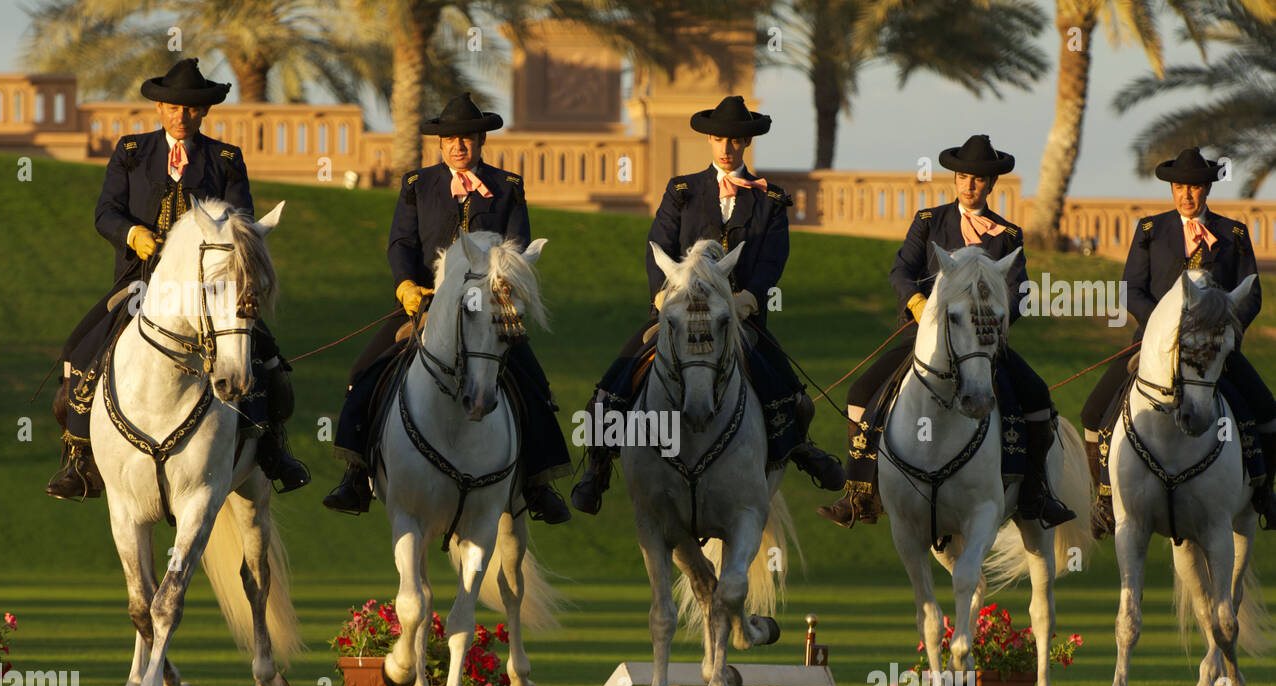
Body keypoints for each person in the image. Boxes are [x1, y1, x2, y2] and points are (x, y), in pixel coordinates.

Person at [46, 58, 309, 501]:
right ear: (159, 108)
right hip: (139, 283)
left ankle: (271, 448)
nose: (181, 116)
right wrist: (133, 233)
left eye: (190, 109)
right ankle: (78, 461)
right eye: (173, 107)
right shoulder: (131, 152)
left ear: (203, 112)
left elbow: (240, 223)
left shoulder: (225, 159)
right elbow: (106, 212)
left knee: (264, 357)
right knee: (80, 351)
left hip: (211, 289)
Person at [569, 95, 844, 514]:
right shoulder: (682, 190)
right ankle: (598, 465)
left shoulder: (771, 200)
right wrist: (663, 293)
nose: (726, 147)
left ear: (746, 144)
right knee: (618, 376)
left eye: (734, 141)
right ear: (710, 141)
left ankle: (799, 446)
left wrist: (749, 298)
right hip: (679, 311)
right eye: (719, 139)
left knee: (785, 385)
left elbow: (772, 258)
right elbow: (658, 244)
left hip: (736, 316)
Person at [322, 93, 572, 523]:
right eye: (451, 139)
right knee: (363, 372)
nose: (459, 146)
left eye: (468, 138)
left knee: (534, 382)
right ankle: (355, 475)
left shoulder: (508, 187)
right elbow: (402, 242)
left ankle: (538, 483)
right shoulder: (417, 185)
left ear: (481, 140)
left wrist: (505, 290)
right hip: (425, 305)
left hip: (488, 310)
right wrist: (404, 286)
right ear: (440, 144)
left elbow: (514, 250)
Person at [818, 134, 1075, 529]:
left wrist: (991, 325)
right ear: (954, 179)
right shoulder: (928, 221)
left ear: (991, 185)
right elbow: (901, 271)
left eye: (978, 179)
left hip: (983, 342)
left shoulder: (1009, 235)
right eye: (962, 177)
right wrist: (919, 306)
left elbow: (1017, 293)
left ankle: (1035, 491)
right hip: (926, 335)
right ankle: (859, 491)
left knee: (1037, 397)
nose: (969, 185)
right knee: (858, 395)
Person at [1080, 146, 1271, 535]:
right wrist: (1163, 330)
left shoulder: (1233, 234)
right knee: (1092, 412)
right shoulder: (1151, 230)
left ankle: (1264, 490)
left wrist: (1222, 331)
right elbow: (1132, 290)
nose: (1187, 194)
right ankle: (1103, 497)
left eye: (1195, 187)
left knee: (1266, 411)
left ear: (1207, 189)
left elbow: (1251, 295)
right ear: (1172, 189)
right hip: (1151, 347)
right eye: (1180, 187)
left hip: (1212, 348)